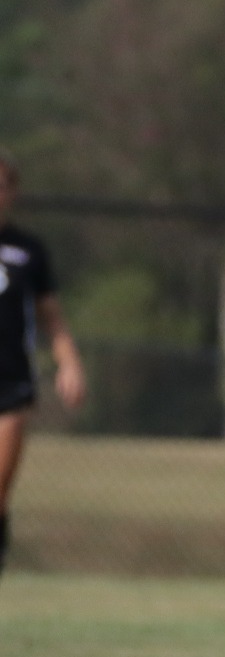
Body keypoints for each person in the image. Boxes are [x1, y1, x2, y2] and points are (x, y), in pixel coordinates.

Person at [0, 151, 87, 577]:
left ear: (12, 192)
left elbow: (52, 319)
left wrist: (70, 364)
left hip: (11, 384)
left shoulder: (28, 250)